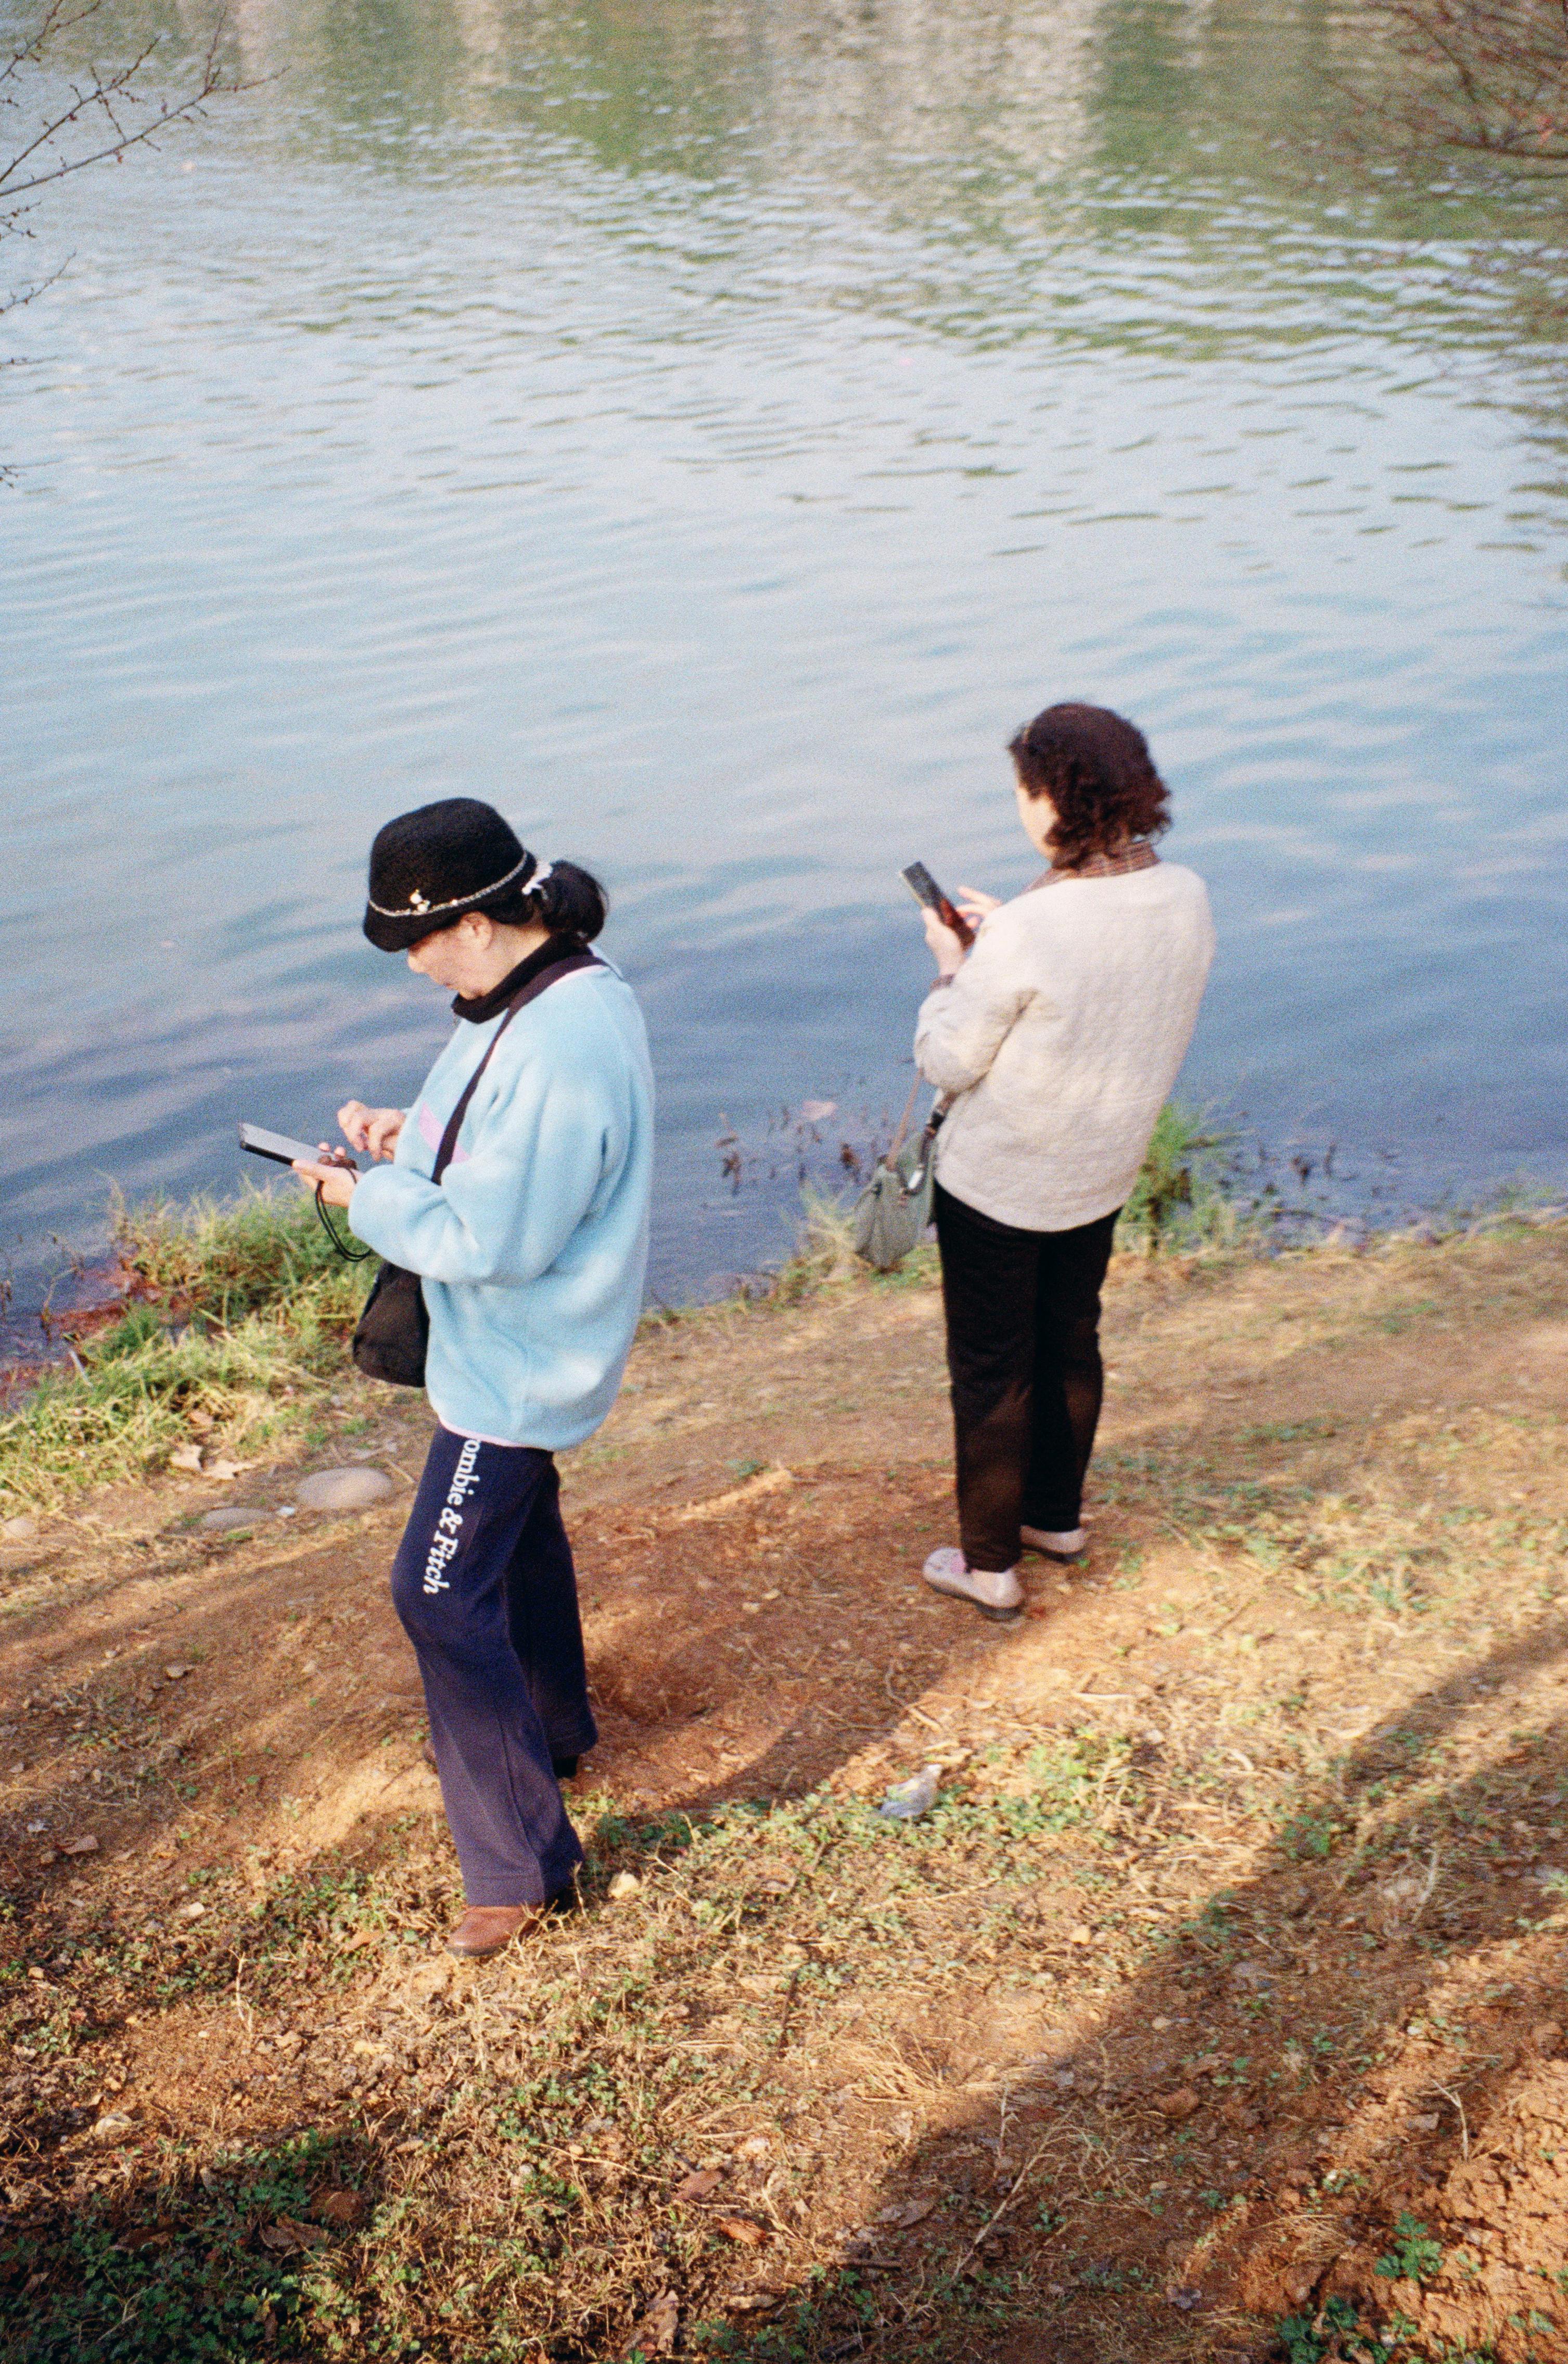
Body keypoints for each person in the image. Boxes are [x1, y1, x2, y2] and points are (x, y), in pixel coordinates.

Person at [294, 798, 653, 1957]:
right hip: (516, 1347)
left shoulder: (557, 1036)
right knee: (519, 1539)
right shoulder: (550, 991)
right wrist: (412, 1138)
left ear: (482, 919)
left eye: (419, 940)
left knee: (437, 1590)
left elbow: (496, 1240)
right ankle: (549, 1728)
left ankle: (522, 1864)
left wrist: (365, 1199)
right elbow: (507, 1151)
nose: (412, 965)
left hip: (521, 1355)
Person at [912, 702, 1214, 1621]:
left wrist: (950, 969)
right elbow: (1103, 970)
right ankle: (1054, 1520)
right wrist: (1002, 939)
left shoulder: (1035, 930)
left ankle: (990, 1566)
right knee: (1070, 1338)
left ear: (1052, 797)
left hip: (1002, 1181)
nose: (1019, 809)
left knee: (993, 1366)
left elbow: (948, 1059)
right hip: (1100, 1167)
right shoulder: (1185, 893)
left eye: (1022, 791)